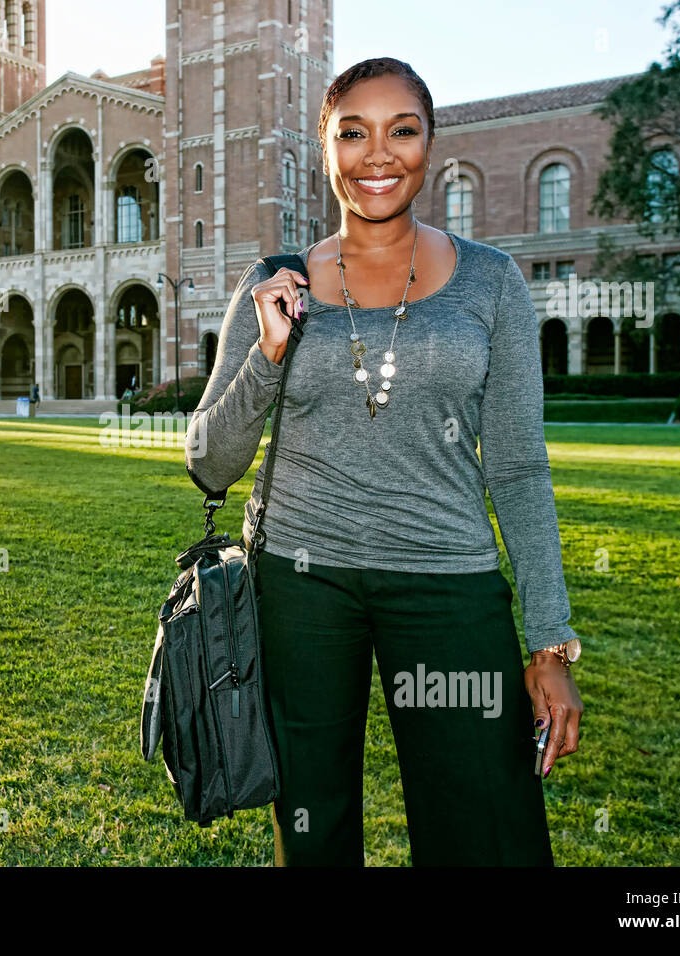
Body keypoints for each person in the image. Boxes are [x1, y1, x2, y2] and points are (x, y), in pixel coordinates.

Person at [184, 57, 583, 867]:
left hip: (447, 581)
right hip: (302, 586)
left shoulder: (492, 282)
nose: (379, 154)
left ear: (429, 145)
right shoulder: (274, 283)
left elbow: (517, 467)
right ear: (325, 148)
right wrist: (269, 353)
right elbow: (210, 464)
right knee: (313, 826)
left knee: (484, 826)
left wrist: (549, 643)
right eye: (353, 132)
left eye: (401, 130)